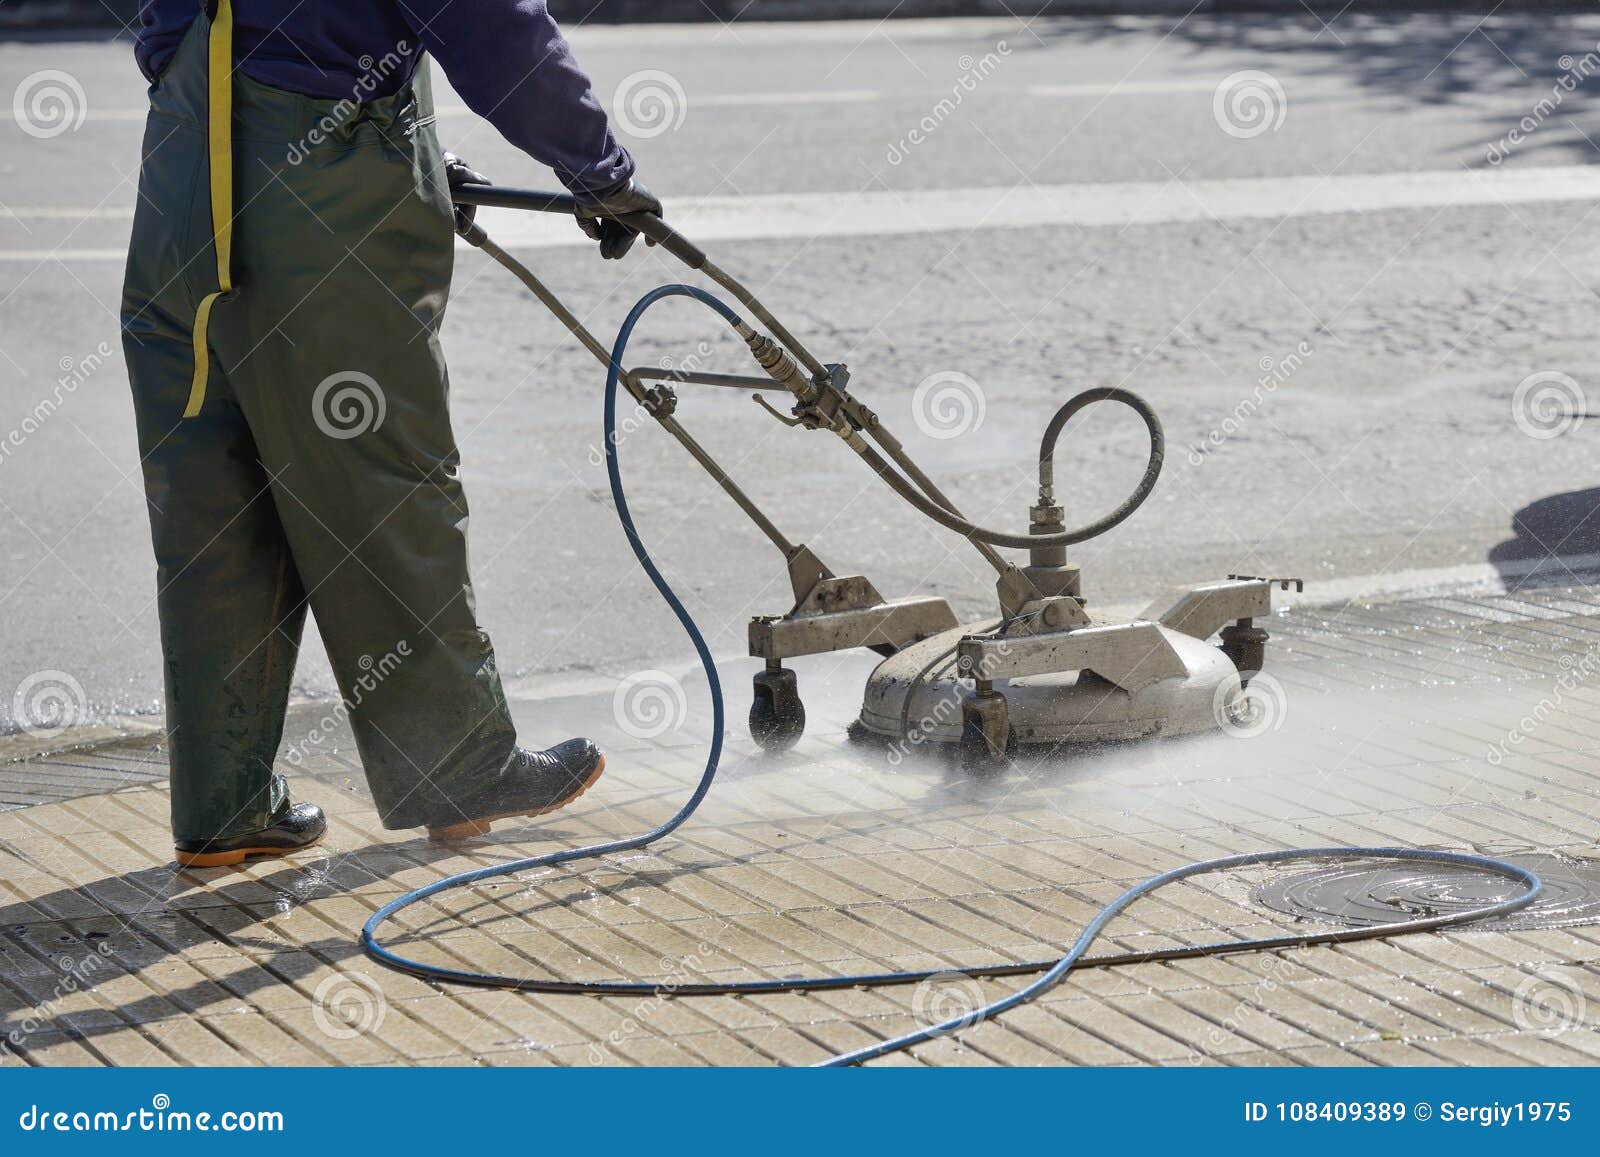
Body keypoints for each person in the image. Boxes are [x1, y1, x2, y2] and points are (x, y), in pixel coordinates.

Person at [122, 0, 660, 868]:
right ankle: (460, 767)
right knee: (383, 474)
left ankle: (225, 806)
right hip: (315, 192)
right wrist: (595, 163)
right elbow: (488, 23)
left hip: (185, 166)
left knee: (218, 496)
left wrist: (253, 106)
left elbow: (172, 27)